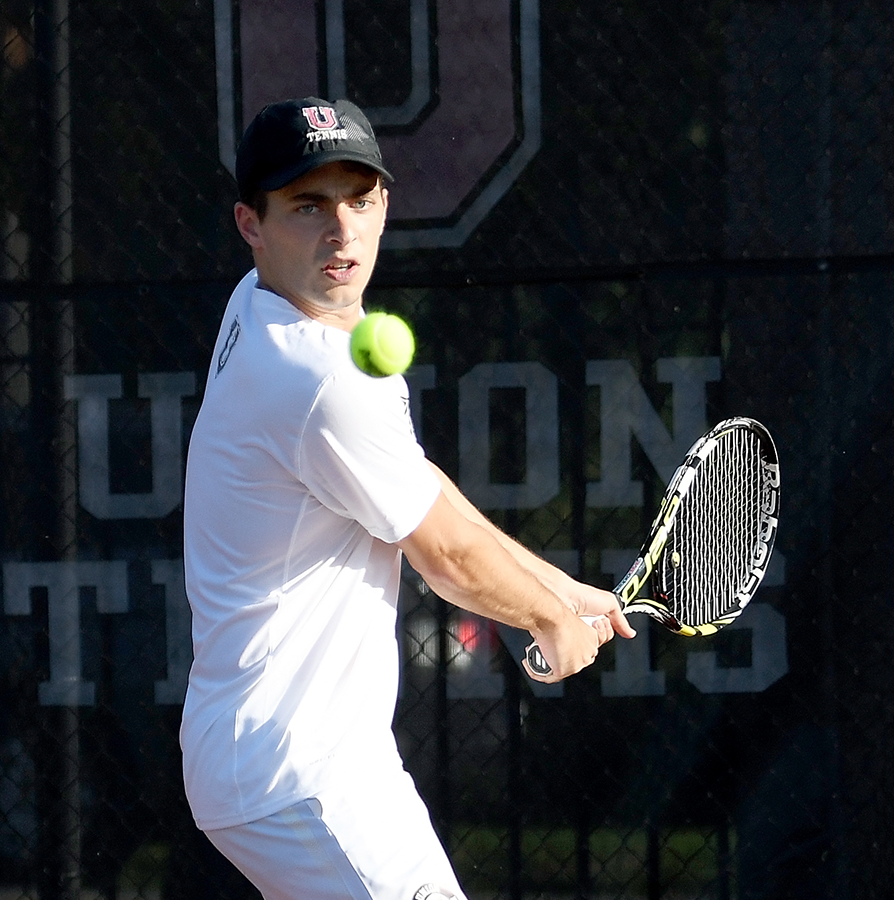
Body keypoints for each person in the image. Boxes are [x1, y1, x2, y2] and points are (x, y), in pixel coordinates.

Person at [179, 97, 636, 900]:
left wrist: (559, 590)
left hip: (289, 759)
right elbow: (448, 557)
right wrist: (548, 621)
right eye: (307, 205)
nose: (341, 230)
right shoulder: (317, 382)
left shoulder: (259, 308)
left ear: (385, 205)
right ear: (250, 223)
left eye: (359, 200)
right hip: (297, 770)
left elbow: (418, 486)